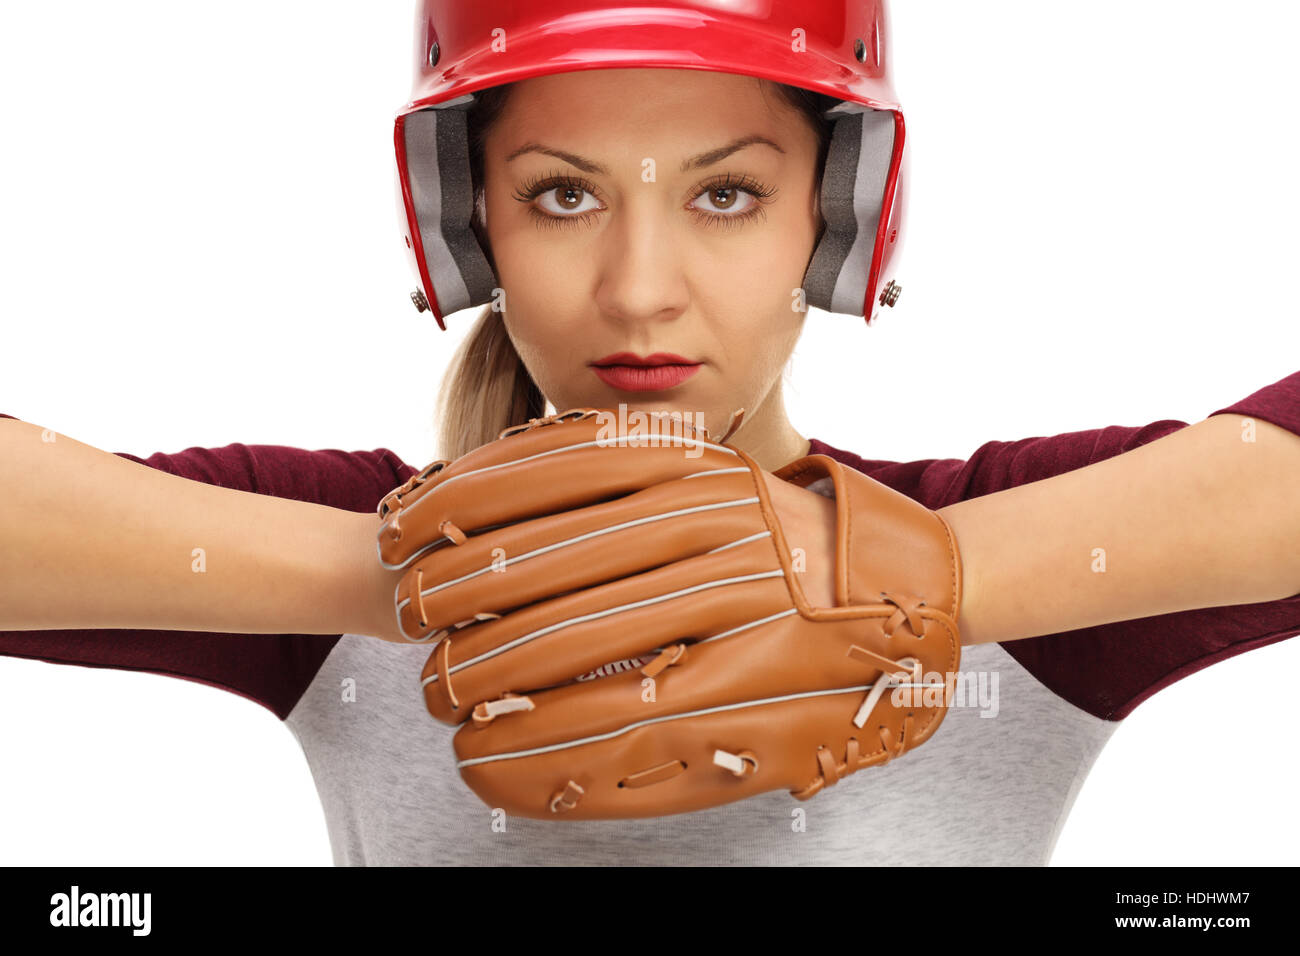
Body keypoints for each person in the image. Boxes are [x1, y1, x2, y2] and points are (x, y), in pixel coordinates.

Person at [2, 0, 1298, 866]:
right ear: (472, 232)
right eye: (560, 196)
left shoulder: (1026, 551)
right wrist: (436, 577)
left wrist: (906, 578)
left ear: (836, 225)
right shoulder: (349, 543)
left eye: (727, 194)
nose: (636, 291)